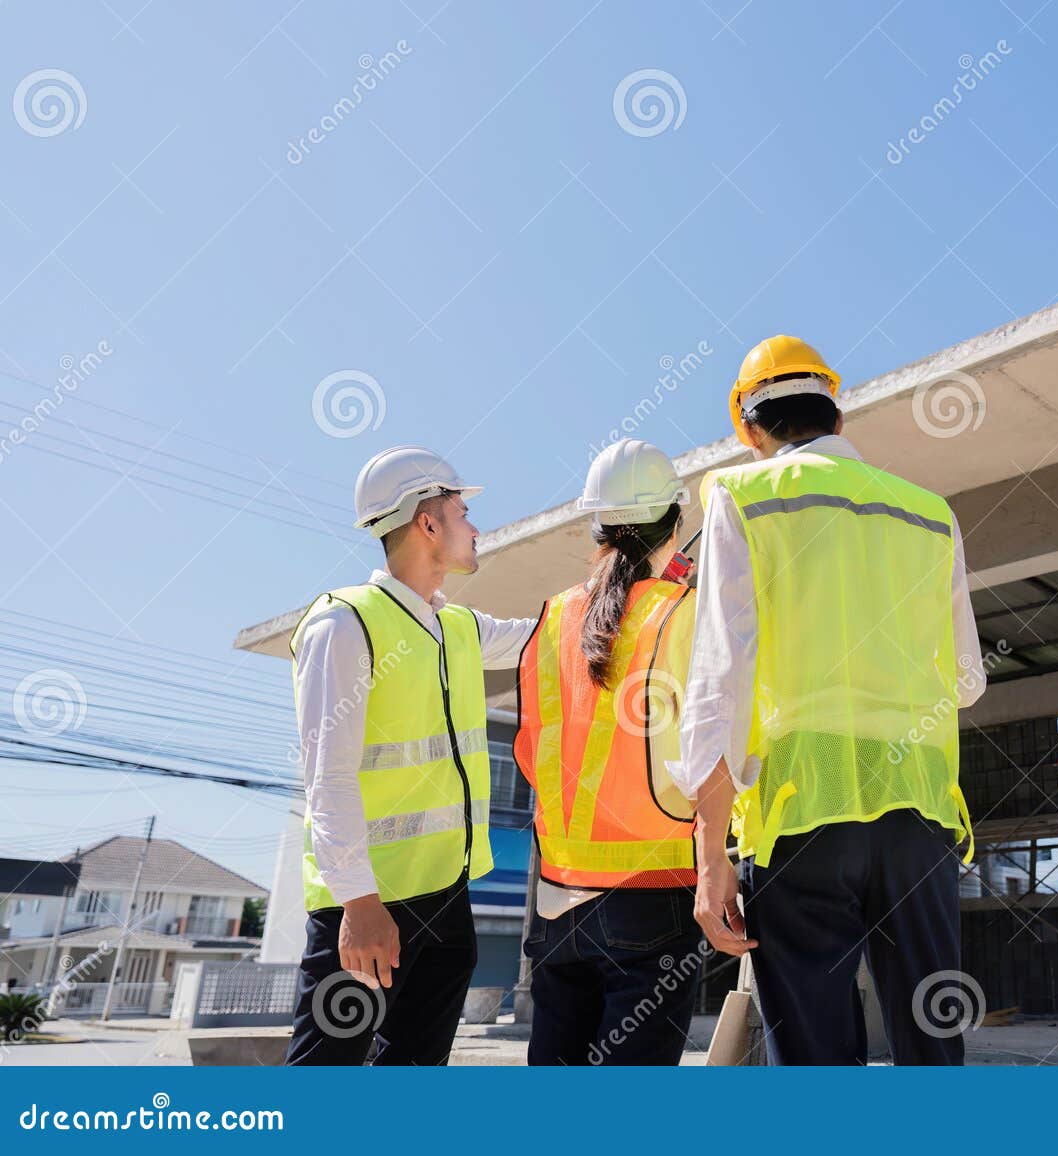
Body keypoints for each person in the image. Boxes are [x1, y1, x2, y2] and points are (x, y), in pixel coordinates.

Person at [672, 335, 988, 1065]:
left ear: (750, 429)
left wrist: (709, 855)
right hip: (919, 814)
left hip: (802, 813)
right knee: (932, 1043)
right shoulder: (929, 513)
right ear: (838, 419)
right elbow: (967, 680)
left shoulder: (744, 500)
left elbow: (718, 680)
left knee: (815, 1054)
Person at [285, 445, 537, 1065]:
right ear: (428, 523)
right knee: (326, 1072)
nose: (476, 528)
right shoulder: (345, 624)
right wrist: (360, 904)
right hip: (371, 902)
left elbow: (545, 633)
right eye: (462, 512)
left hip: (447, 898)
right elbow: (329, 778)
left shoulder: (456, 627)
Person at [513, 439, 705, 1065]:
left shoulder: (552, 617)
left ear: (597, 529)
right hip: (655, 897)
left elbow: (528, 752)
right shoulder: (684, 613)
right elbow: (718, 751)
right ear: (675, 524)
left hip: (556, 903)